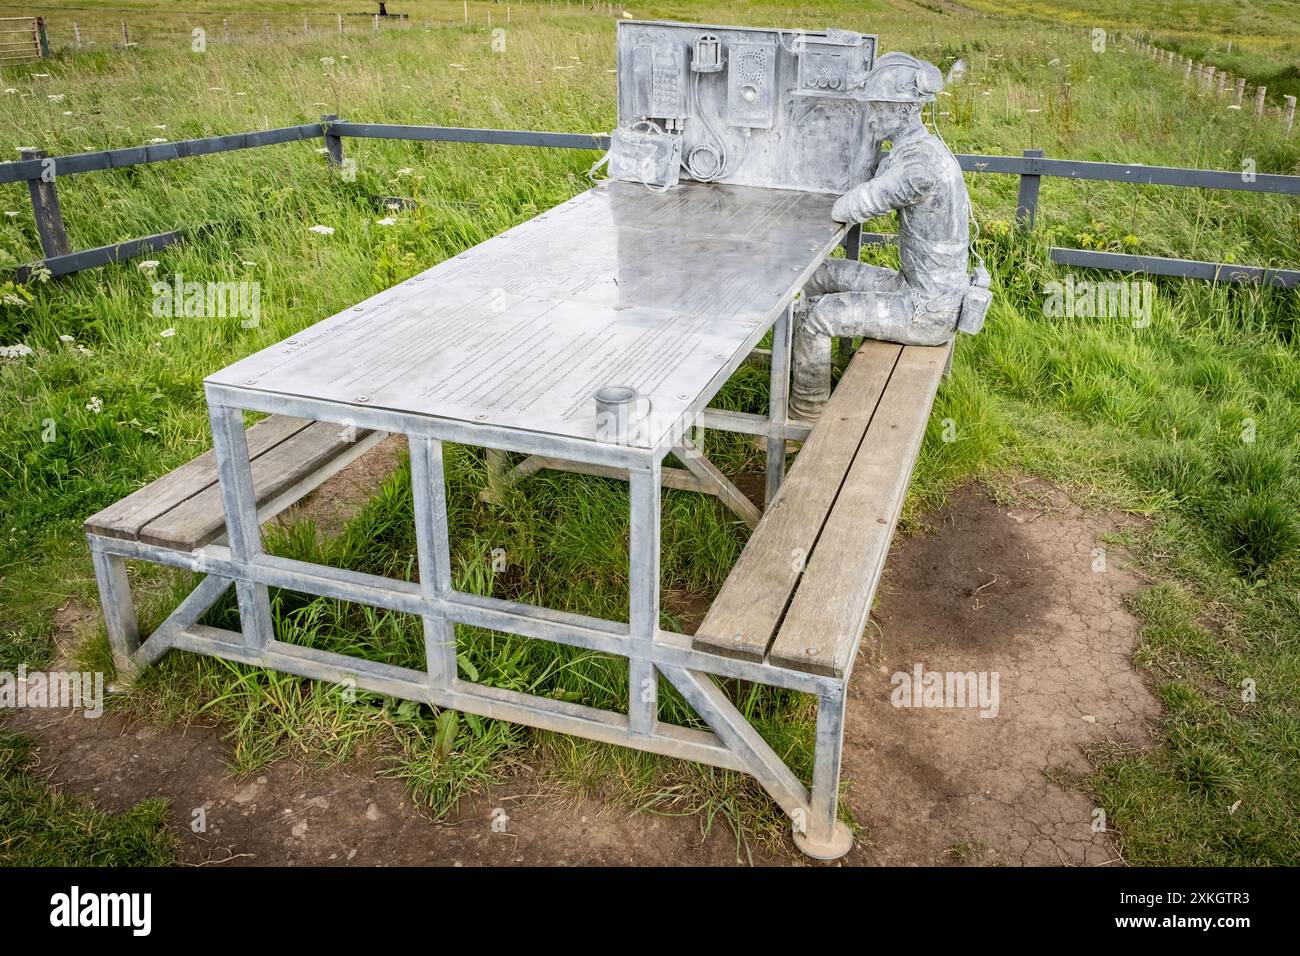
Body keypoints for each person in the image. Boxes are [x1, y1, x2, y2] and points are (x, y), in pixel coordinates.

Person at [790, 52, 976, 422]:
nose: (871, 115)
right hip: (916, 287)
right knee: (822, 273)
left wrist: (863, 151)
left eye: (879, 107)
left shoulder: (919, 168)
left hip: (926, 311)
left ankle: (805, 419)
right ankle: (801, 365)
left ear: (907, 111)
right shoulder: (918, 149)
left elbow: (851, 205)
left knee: (819, 317)